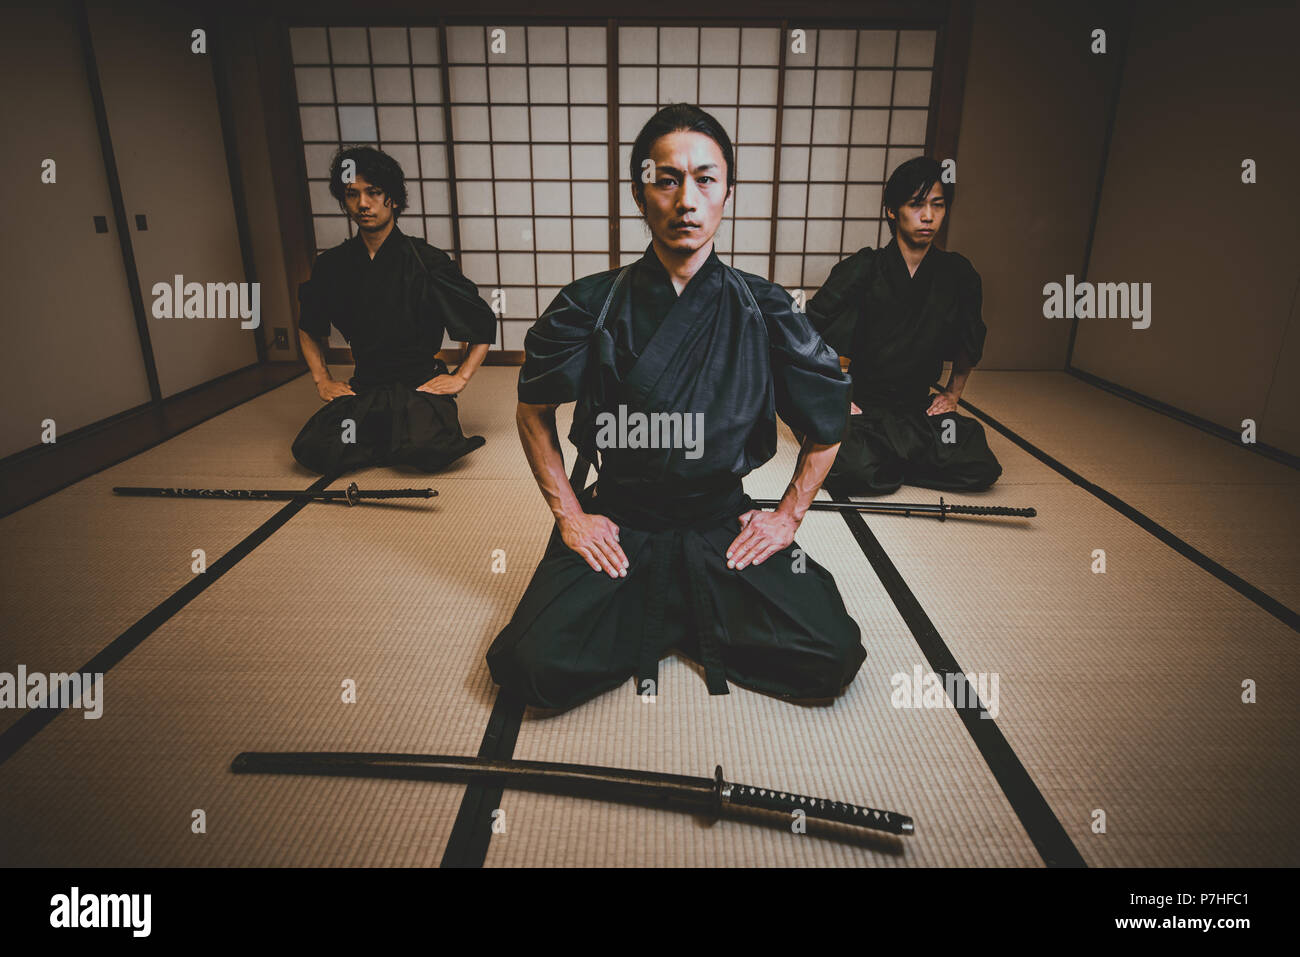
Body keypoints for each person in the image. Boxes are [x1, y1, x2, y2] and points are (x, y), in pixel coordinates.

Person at [486, 104, 866, 712]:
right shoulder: (590, 305)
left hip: (723, 522)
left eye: (705, 179)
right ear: (640, 194)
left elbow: (828, 422)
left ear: (727, 193)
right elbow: (532, 411)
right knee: (531, 668)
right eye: (666, 179)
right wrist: (572, 517)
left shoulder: (765, 308)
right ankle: (689, 610)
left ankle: (666, 610)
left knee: (831, 654)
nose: (686, 199)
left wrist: (786, 517)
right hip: (621, 521)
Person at [292, 146, 496, 475]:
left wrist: (460, 377)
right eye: (352, 194)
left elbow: (482, 323)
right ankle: (383, 432)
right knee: (315, 449)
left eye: (373, 192)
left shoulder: (427, 261)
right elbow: (308, 327)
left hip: (419, 386)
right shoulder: (332, 266)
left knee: (426, 448)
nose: (362, 204)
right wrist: (322, 380)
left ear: (394, 199)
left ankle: (392, 433)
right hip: (366, 386)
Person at [806, 157, 1002, 496]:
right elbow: (809, 330)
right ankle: (906, 461)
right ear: (892, 211)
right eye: (916, 205)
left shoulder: (957, 274)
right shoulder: (862, 269)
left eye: (937, 206)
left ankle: (894, 461)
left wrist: (952, 394)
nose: (928, 216)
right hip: (862, 408)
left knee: (978, 462)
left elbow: (971, 337)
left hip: (918, 411)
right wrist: (833, 396)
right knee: (849, 466)